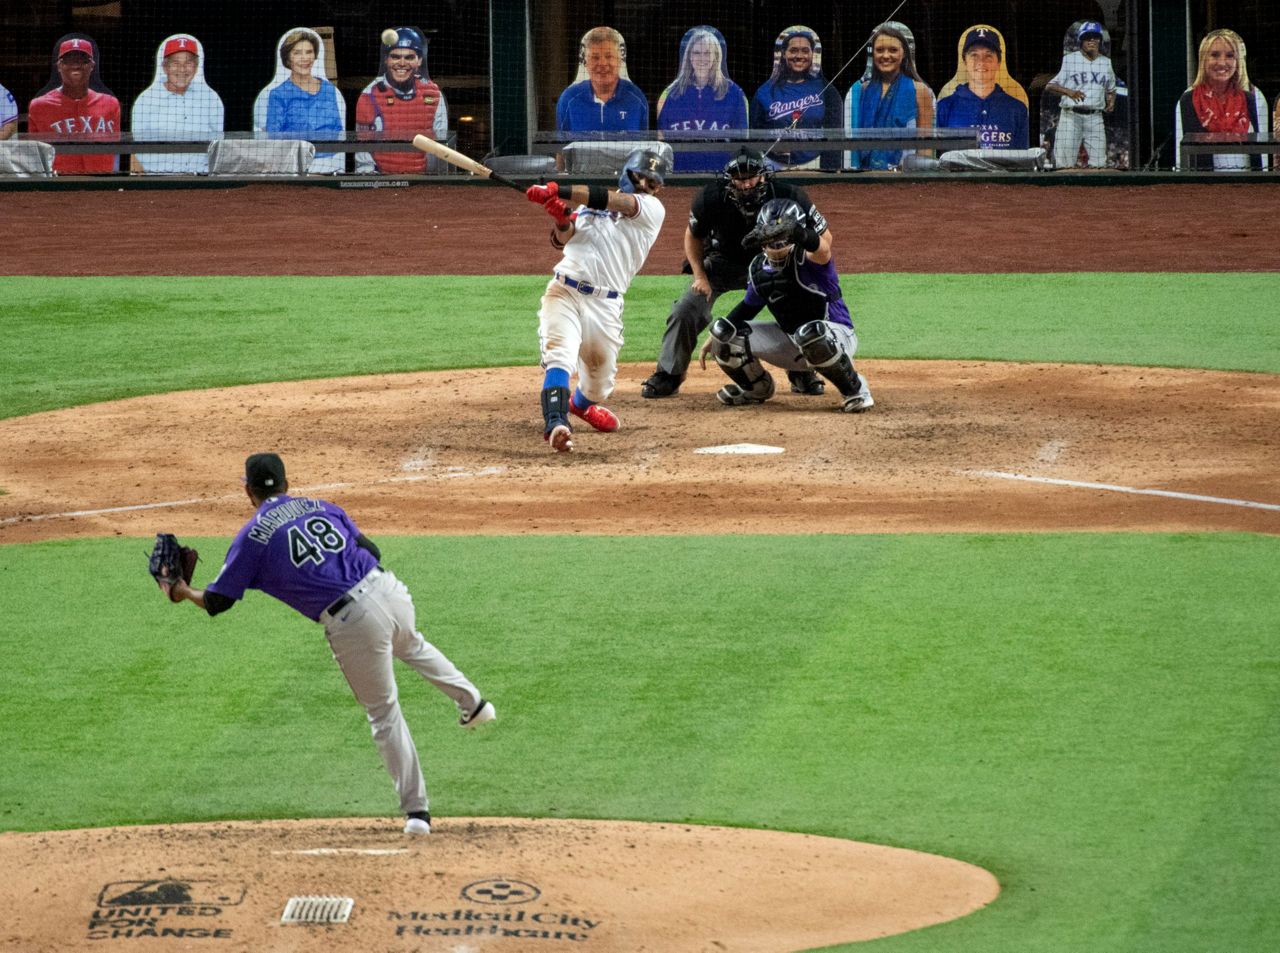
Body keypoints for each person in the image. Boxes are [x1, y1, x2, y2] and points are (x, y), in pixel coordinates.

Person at [160, 452, 495, 835]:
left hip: (352, 620)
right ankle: (474, 702)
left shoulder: (252, 537)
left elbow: (218, 602)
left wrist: (182, 591)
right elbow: (372, 551)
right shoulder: (320, 505)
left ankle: (417, 813)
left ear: (247, 491)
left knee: (383, 712)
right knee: (412, 644)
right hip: (389, 589)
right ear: (287, 483)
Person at [640, 146, 830, 400]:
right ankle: (669, 374)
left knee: (796, 307)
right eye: (740, 179)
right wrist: (700, 276)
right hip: (723, 263)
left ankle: (800, 372)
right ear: (730, 180)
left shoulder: (789, 195)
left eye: (752, 176)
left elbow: (825, 237)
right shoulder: (711, 197)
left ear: (764, 175)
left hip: (776, 263)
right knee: (685, 310)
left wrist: (801, 268)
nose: (746, 183)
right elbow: (692, 235)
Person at [523, 147, 670, 453]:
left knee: (599, 385)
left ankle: (581, 406)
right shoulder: (587, 209)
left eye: (653, 183)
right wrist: (560, 216)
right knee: (559, 354)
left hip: (605, 305)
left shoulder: (651, 210)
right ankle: (557, 423)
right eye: (642, 178)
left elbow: (614, 200)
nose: (646, 187)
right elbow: (562, 239)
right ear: (629, 173)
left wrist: (557, 189)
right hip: (565, 290)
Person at [698, 198, 873, 414]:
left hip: (835, 336)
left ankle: (856, 391)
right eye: (772, 242)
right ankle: (756, 389)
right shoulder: (758, 268)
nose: (777, 249)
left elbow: (823, 249)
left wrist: (799, 232)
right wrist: (714, 339)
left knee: (809, 334)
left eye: (782, 241)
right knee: (723, 330)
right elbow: (748, 307)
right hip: (790, 343)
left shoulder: (810, 260)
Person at [355, 26, 448, 174]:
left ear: (419, 61)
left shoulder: (433, 94)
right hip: (380, 180)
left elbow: (442, 143)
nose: (402, 63)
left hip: (424, 180)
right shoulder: (370, 94)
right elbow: (363, 147)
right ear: (386, 60)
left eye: (409, 57)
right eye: (395, 56)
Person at [844, 21, 936, 170]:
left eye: (893, 50)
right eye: (880, 50)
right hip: (866, 174)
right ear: (872, 53)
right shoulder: (862, 90)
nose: (886, 56)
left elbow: (925, 145)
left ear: (903, 53)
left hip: (904, 176)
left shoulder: (920, 90)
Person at [656, 25, 748, 173]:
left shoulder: (735, 94)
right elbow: (661, 140)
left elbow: (741, 143)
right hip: (681, 176)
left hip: (721, 176)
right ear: (689, 56)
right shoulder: (671, 93)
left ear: (716, 56)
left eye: (707, 53)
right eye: (697, 53)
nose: (702, 58)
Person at [749, 25, 842, 170]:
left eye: (805, 51)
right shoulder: (765, 91)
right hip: (773, 165)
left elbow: (834, 133)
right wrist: (770, 147)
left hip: (815, 164)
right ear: (783, 54)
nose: (799, 56)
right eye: (793, 51)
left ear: (812, 54)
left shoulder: (826, 90)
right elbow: (754, 132)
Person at [1175, 29, 1269, 171]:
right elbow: (1179, 153)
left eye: (1230, 55)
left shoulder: (1253, 98)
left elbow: (1263, 154)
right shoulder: (1187, 100)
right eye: (1215, 55)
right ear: (1203, 59)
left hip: (1246, 185)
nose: (1222, 62)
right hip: (1203, 187)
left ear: (1238, 61)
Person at [255, 27, 346, 174]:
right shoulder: (278, 94)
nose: (305, 58)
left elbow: (337, 130)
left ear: (315, 55)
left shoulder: (329, 90)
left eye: (309, 52)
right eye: (297, 53)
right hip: (293, 166)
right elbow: (274, 139)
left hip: (331, 164)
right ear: (288, 59)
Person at [130, 34, 224, 174]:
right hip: (158, 181)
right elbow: (135, 151)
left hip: (200, 180)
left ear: (196, 66)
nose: (182, 69)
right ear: (165, 67)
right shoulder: (146, 100)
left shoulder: (211, 98)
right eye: (175, 63)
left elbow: (219, 146)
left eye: (189, 63)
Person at [27, 36, 121, 174]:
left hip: (101, 184)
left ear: (92, 66)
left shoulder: (110, 104)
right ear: (59, 65)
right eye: (69, 60)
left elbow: (117, 149)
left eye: (83, 61)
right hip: (58, 186)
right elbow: (33, 155)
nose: (76, 65)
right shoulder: (39, 106)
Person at [935, 26, 1029, 150]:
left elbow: (1023, 162)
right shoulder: (944, 107)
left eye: (988, 55)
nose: (981, 61)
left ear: (998, 62)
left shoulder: (1017, 109)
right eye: (974, 55)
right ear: (965, 61)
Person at [1044, 21, 1116, 169]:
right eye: (1087, 37)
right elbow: (1048, 85)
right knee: (1064, 164)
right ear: (1081, 41)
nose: (1092, 41)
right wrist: (1069, 92)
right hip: (1071, 117)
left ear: (1100, 40)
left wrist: (1111, 102)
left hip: (1095, 117)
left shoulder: (1107, 63)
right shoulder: (1068, 60)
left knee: (1099, 164)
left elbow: (1111, 89)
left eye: (1095, 37)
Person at [556, 26, 648, 133]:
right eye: (595, 57)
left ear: (620, 61)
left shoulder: (637, 99)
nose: (603, 63)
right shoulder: (568, 99)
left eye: (609, 56)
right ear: (586, 63)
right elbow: (561, 147)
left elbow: (644, 146)